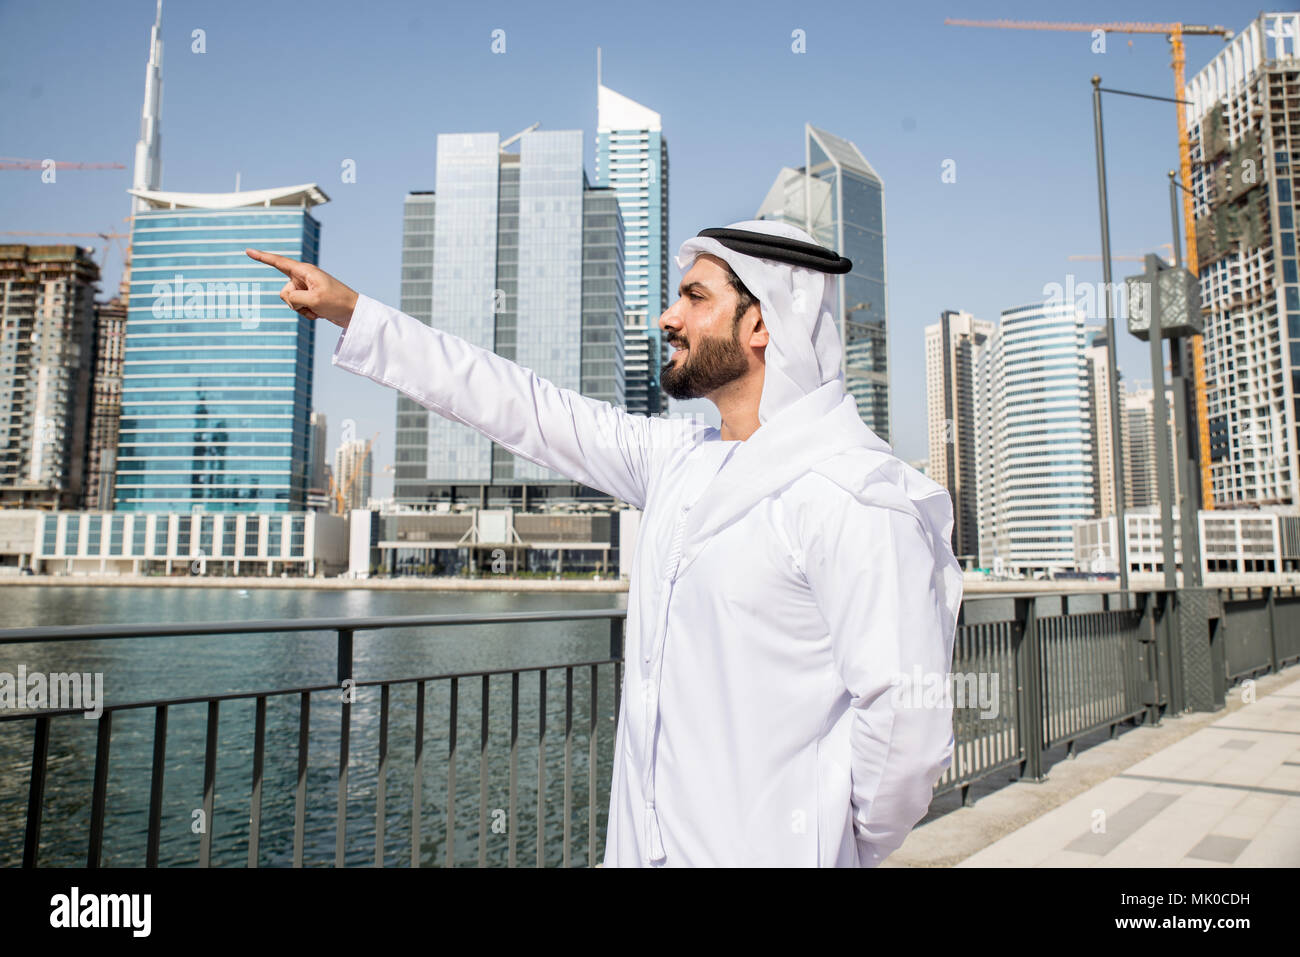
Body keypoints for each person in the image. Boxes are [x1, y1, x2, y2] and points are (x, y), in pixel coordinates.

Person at [244, 218, 961, 867]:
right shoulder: (676, 456)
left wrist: (830, 845)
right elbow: (522, 404)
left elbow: (906, 728)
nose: (667, 318)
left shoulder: (856, 495)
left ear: (760, 323)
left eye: (694, 297)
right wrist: (354, 313)